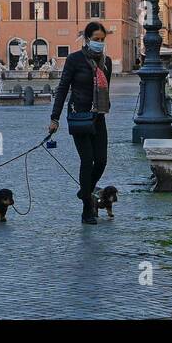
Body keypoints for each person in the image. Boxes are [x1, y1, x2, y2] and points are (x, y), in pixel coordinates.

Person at [48, 22, 112, 224]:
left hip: (98, 117)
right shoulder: (74, 60)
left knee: (101, 161)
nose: (99, 43)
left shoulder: (106, 62)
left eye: (102, 40)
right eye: (96, 39)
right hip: (79, 117)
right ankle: (87, 210)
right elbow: (63, 88)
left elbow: (105, 90)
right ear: (87, 39)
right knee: (87, 161)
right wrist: (54, 118)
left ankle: (85, 191)